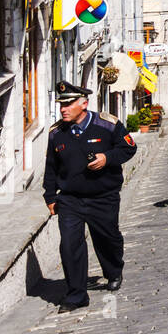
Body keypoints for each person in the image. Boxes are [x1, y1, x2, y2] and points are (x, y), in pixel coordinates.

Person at [42, 80, 137, 312]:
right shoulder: (56, 134)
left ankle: (113, 270)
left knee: (107, 238)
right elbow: (51, 167)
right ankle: (76, 295)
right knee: (69, 245)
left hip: (103, 196)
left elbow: (128, 148)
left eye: (68, 104)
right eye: (61, 105)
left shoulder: (107, 125)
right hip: (70, 199)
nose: (63, 109)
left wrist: (107, 158)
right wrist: (50, 196)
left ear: (83, 103)